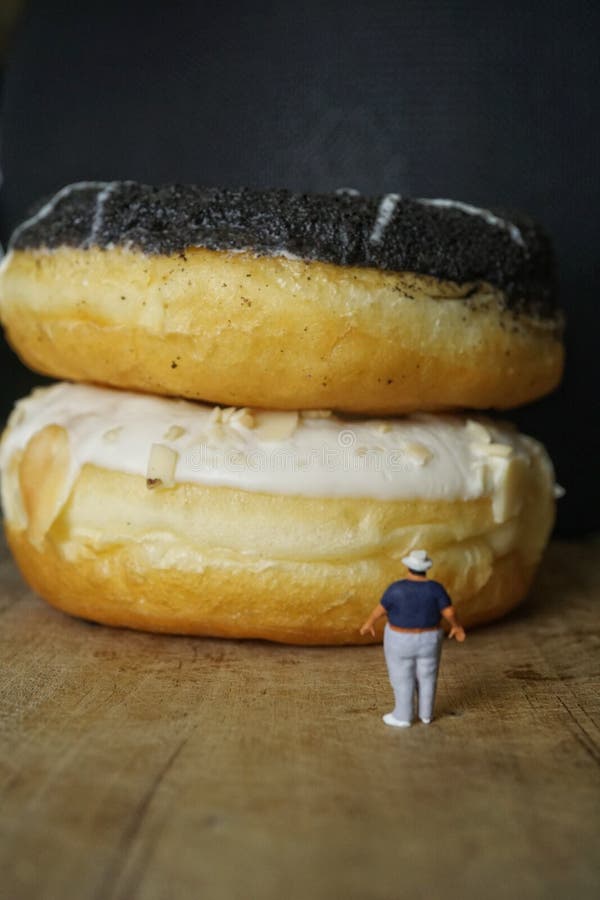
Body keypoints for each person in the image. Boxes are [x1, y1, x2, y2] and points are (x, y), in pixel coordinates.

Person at [360, 549, 466, 727]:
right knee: (428, 676)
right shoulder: (435, 588)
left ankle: (403, 716)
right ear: (426, 569)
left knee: (402, 676)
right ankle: (426, 714)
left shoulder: (397, 588)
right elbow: (449, 611)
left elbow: (381, 609)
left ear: (408, 567)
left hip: (400, 637)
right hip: (430, 637)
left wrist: (369, 623)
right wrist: (456, 626)